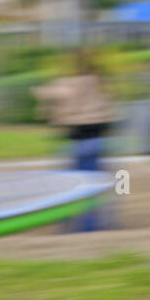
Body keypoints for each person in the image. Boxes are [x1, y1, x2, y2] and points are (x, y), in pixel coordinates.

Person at [31, 49, 115, 232]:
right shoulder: (101, 84)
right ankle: (92, 226)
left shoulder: (70, 83)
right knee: (95, 185)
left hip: (76, 140)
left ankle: (66, 225)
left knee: (66, 185)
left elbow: (53, 94)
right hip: (98, 139)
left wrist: (39, 91)